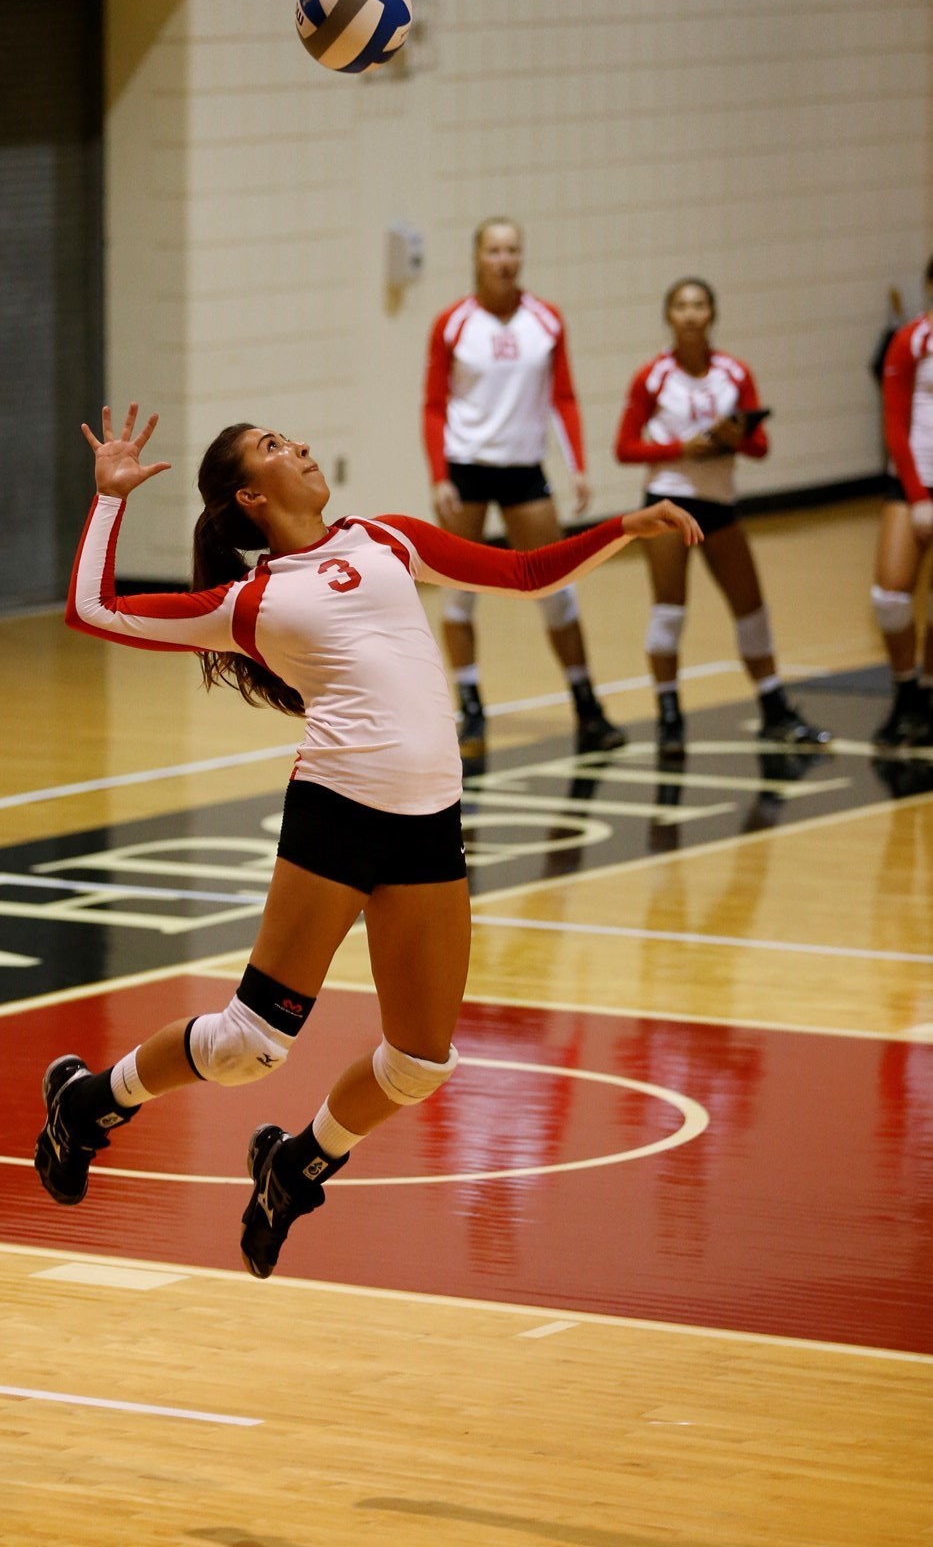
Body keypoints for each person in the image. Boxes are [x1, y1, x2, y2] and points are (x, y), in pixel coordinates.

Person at [36, 403, 701, 1278]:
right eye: (275, 447)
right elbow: (92, 610)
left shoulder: (385, 537)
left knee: (422, 1061)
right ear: (250, 494)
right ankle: (89, 1104)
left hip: (430, 820)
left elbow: (525, 571)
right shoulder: (248, 601)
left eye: (292, 436)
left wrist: (625, 525)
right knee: (248, 1046)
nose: (301, 446)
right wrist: (112, 499)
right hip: (339, 812)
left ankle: (297, 1162)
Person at [422, 217, 625, 758]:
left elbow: (564, 397)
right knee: (458, 596)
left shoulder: (546, 320)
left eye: (513, 250)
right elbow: (434, 406)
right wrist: (440, 475)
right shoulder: (453, 323)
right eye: (494, 250)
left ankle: (587, 705)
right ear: (477, 257)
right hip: (467, 467)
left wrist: (577, 466)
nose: (504, 259)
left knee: (556, 587)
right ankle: (471, 708)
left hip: (523, 468)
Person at [614, 277, 832, 761]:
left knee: (750, 605)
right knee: (669, 608)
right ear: (668, 316)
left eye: (699, 305)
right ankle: (669, 715)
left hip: (719, 501)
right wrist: (679, 448)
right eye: (681, 306)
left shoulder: (734, 372)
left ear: (713, 313)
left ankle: (774, 708)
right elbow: (625, 447)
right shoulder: (652, 376)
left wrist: (734, 439)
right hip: (670, 501)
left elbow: (760, 445)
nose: (691, 314)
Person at [872, 255, 933, 748]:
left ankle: (928, 697)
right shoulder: (911, 339)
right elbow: (894, 423)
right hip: (915, 483)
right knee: (890, 596)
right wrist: (917, 496)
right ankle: (904, 694)